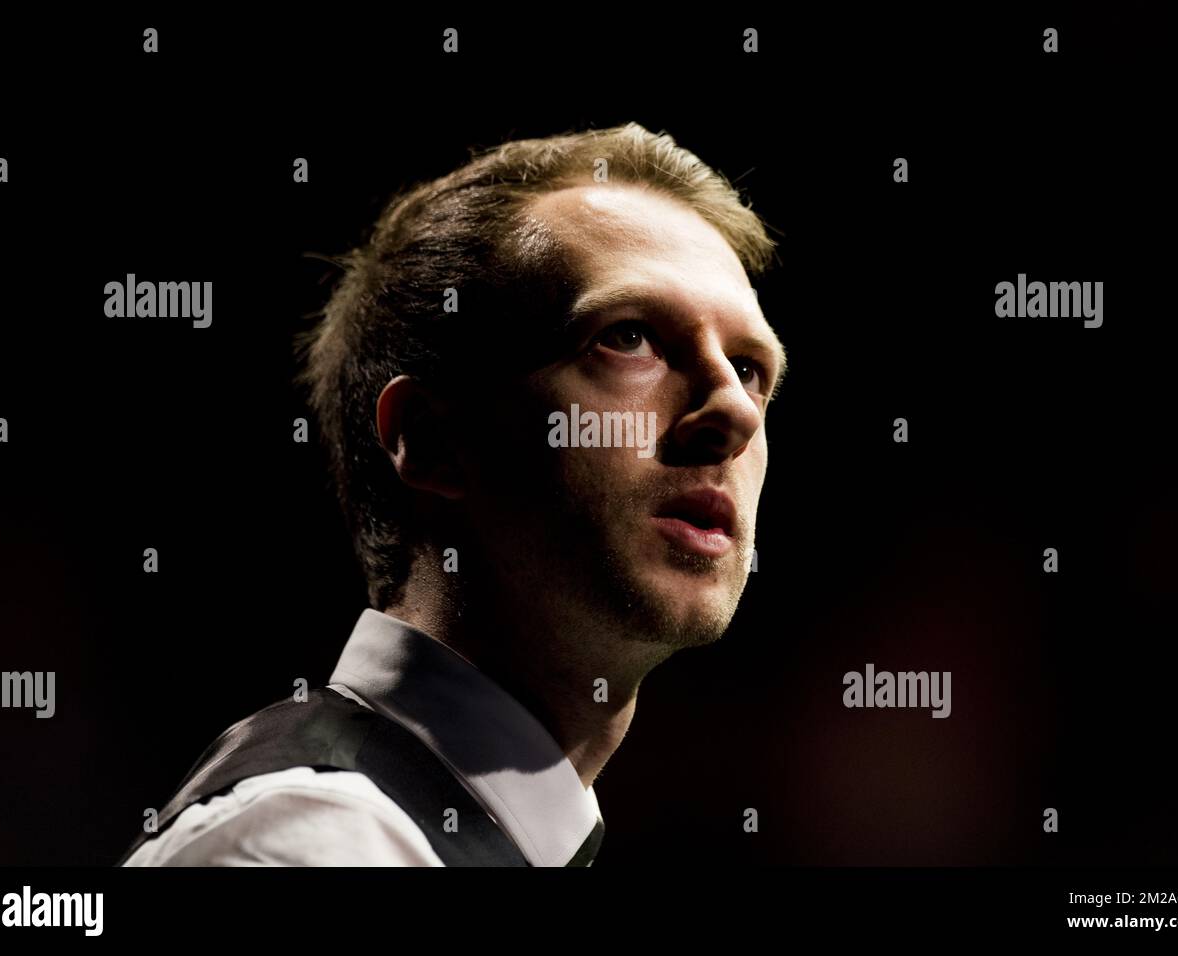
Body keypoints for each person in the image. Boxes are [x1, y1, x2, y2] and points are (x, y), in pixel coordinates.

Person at [119, 122, 786, 867]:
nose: (732, 410)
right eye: (629, 337)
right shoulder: (322, 844)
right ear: (432, 440)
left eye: (751, 368)